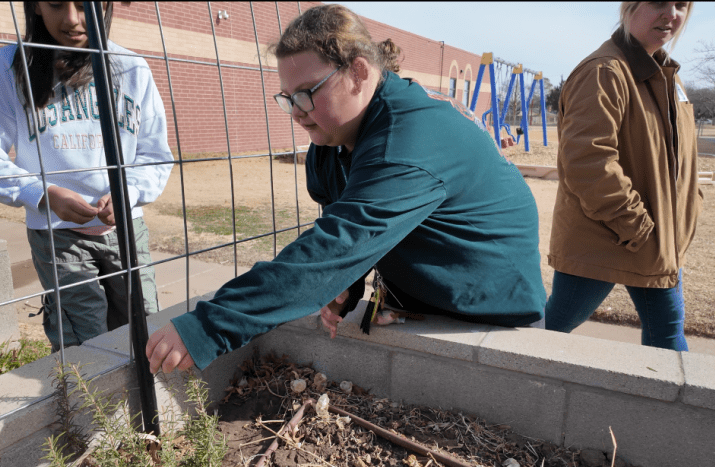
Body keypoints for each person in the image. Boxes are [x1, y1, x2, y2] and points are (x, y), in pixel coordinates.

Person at [146, 4, 545, 374]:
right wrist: (347, 285)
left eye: (306, 93)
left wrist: (206, 326)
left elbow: (342, 242)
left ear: (358, 73)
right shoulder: (333, 138)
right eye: (287, 99)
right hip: (427, 298)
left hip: (489, 312)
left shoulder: (407, 141)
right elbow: (348, 230)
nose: (297, 112)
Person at [0, 2, 173, 351]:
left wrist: (128, 193)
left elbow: (154, 155)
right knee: (84, 343)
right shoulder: (8, 67)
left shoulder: (131, 67)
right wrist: (43, 194)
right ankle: (89, 407)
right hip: (56, 236)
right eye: (57, 3)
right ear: (35, 6)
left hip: (125, 228)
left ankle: (141, 405)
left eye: (85, 4)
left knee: (143, 324)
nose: (73, 19)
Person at [545, 2, 701, 350]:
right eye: (659, 3)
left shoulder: (665, 75)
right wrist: (638, 226)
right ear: (630, 6)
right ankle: (506, 390)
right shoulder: (605, 71)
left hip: (657, 240)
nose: (671, 14)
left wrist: (688, 210)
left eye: (681, 5)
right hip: (608, 238)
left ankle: (669, 406)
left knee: (669, 333)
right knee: (553, 330)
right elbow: (588, 160)